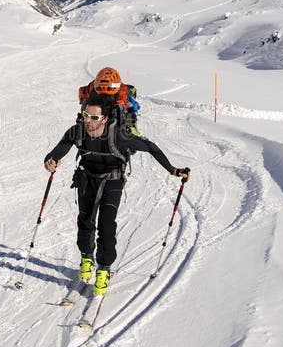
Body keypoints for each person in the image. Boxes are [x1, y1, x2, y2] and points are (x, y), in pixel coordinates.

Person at [44, 95, 190, 295]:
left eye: (94, 118)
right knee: (85, 219)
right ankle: (87, 256)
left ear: (104, 118)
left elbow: (150, 147)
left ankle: (104, 269)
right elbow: (57, 151)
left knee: (106, 224)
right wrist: (50, 161)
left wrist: (172, 170)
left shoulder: (118, 135)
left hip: (113, 179)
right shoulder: (77, 131)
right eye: (85, 115)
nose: (88, 120)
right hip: (87, 176)